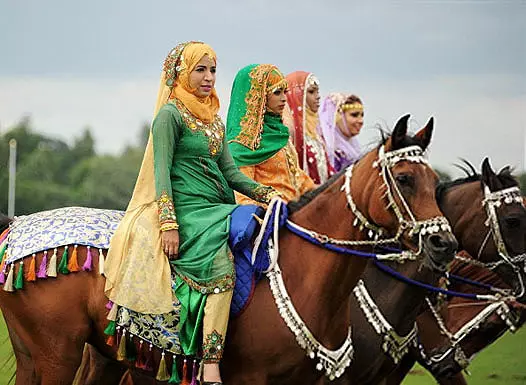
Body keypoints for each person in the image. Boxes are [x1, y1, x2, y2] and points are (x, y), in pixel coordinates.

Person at [104, 42, 278, 385]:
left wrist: (268, 195)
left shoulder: (213, 118)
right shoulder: (169, 115)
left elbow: (230, 172)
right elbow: (161, 173)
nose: (209, 77)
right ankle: (210, 362)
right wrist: (168, 223)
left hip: (217, 205)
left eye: (212, 70)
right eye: (200, 70)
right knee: (220, 262)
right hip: (186, 211)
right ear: (181, 73)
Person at [226, 64, 315, 205]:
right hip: (269, 219)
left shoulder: (280, 135)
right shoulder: (242, 144)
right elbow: (243, 197)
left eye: (285, 92)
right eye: (277, 92)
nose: (284, 99)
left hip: (294, 214)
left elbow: (298, 179)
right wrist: (273, 212)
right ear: (258, 96)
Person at [283, 71, 333, 184]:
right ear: (296, 95)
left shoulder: (315, 132)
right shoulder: (290, 132)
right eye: (311, 92)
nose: (318, 97)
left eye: (317, 92)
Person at [319, 93, 364, 172]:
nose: (361, 121)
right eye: (354, 115)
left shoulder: (353, 149)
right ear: (337, 116)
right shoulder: (325, 150)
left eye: (362, 115)